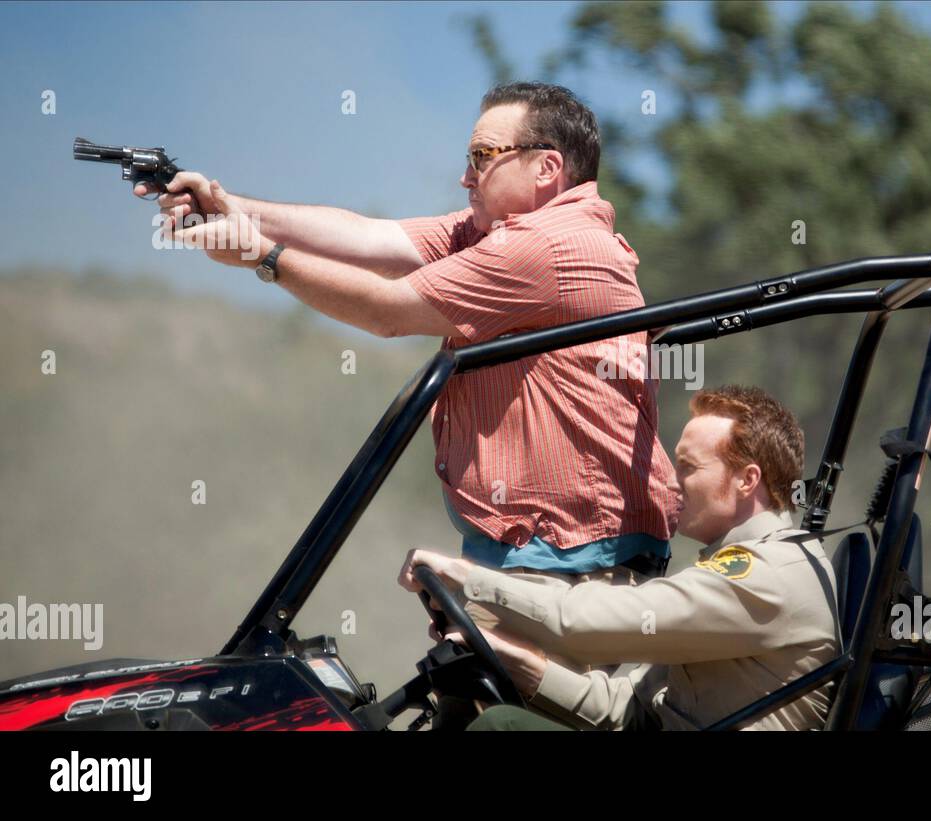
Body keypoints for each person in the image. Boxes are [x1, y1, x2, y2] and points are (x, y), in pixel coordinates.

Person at [140, 83, 682, 630]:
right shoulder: (504, 232)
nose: (466, 176)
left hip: (571, 563)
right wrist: (231, 207)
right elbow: (371, 239)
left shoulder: (541, 246)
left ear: (546, 168)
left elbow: (387, 312)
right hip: (554, 554)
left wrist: (263, 257)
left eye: (482, 157)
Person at [398, 386, 841, 730]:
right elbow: (627, 710)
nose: (671, 481)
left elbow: (579, 626)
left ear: (747, 480)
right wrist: (512, 659)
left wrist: (467, 578)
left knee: (501, 726)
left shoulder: (765, 576)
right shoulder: (751, 570)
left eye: (688, 467)